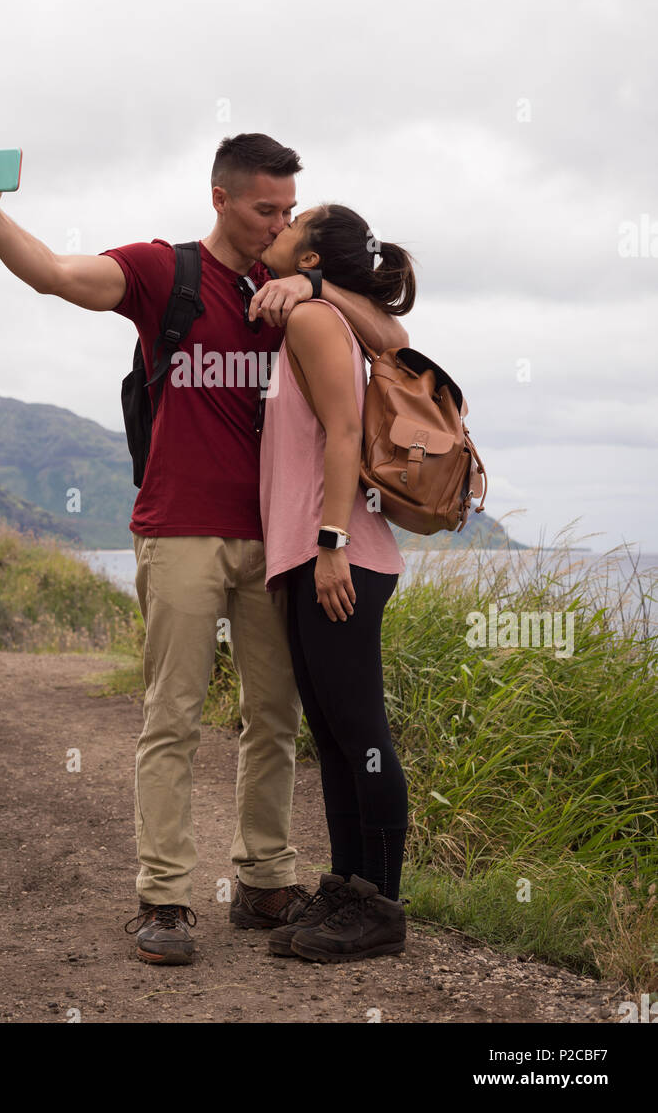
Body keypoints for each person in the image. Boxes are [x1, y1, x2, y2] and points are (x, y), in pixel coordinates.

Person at [0, 133, 408, 965]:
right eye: (264, 208)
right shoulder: (166, 273)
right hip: (178, 531)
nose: (276, 221)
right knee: (170, 717)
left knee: (272, 719)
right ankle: (164, 900)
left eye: (286, 211)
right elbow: (58, 274)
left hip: (279, 545)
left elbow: (387, 336)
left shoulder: (295, 293)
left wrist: (310, 279)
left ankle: (266, 883)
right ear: (221, 199)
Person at [257, 203, 416, 963]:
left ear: (311, 252)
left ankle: (380, 908)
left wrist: (329, 543)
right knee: (334, 738)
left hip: (338, 553)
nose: (279, 225)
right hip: (312, 550)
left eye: (294, 223)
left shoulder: (315, 319)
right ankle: (349, 890)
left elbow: (346, 432)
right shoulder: (316, 309)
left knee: (363, 739)